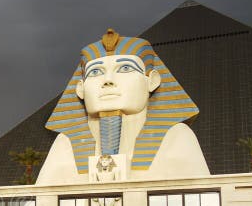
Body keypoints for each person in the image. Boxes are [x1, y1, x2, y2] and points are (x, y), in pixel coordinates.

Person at [36, 28, 209, 185]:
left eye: (125, 68)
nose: (108, 80)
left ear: (152, 81)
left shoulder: (176, 136)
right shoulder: (65, 144)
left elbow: (204, 204)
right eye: (96, 72)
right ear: (80, 88)